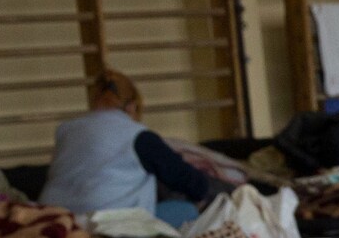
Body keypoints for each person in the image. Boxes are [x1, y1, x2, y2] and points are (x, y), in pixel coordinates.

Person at [39, 68, 212, 226]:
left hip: (56, 219)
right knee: (186, 211)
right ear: (132, 106)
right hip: (107, 223)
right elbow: (190, 181)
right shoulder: (138, 136)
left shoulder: (65, 130)